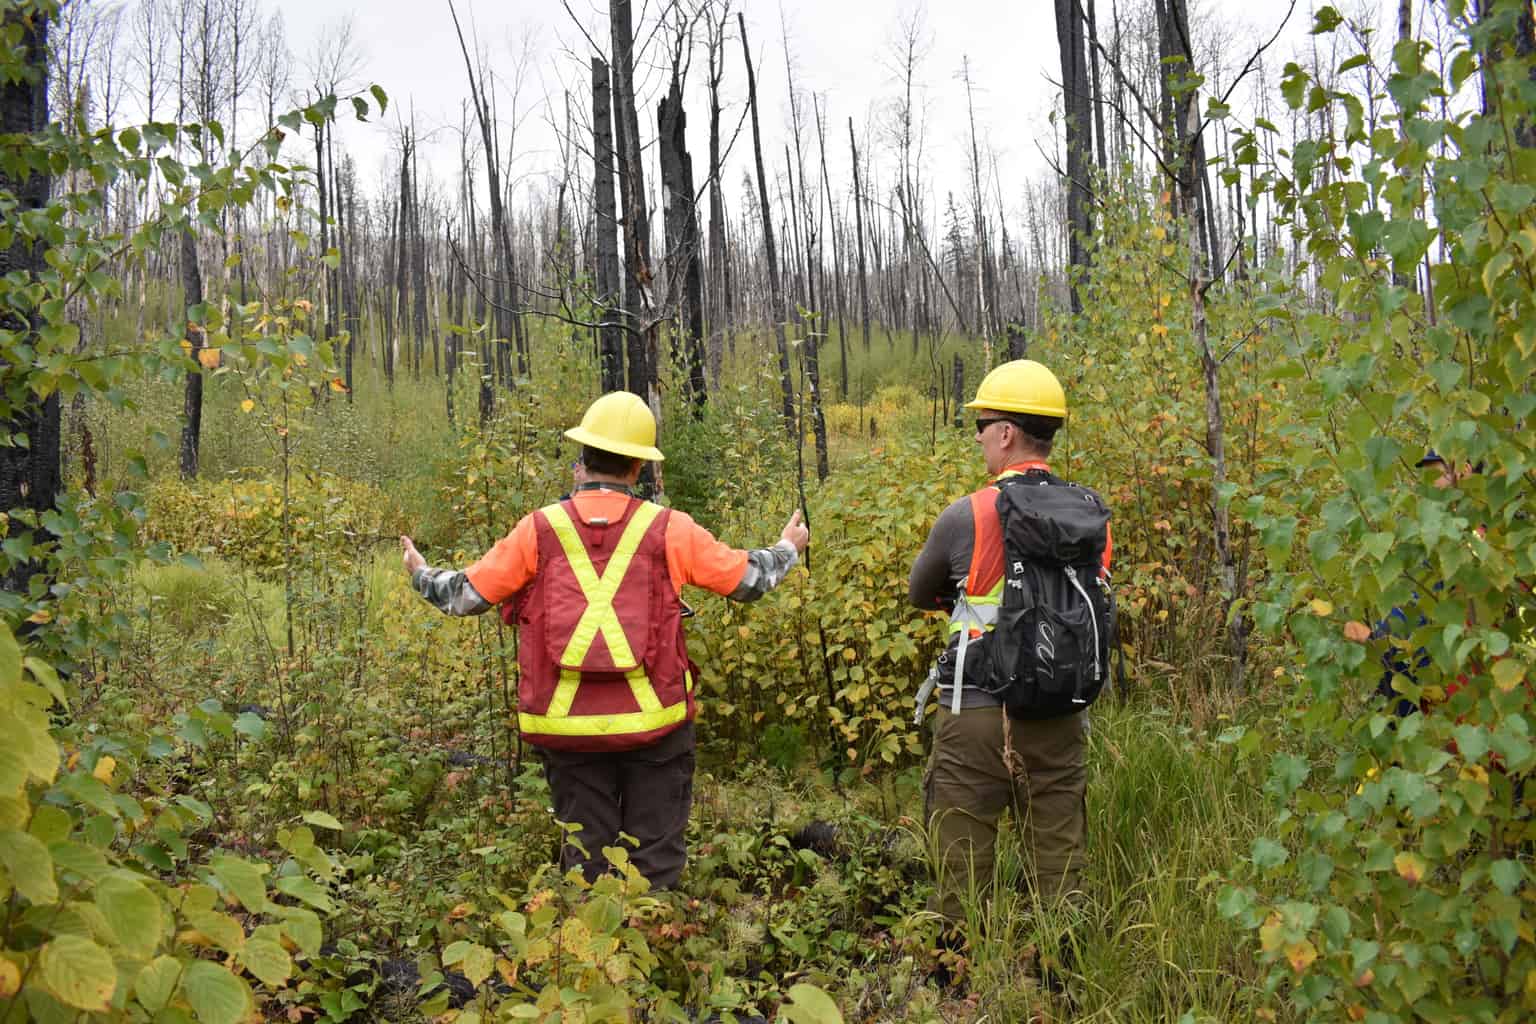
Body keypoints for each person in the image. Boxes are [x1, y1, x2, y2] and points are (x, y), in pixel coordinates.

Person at [401, 391, 809, 888]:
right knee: (654, 857)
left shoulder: (539, 529)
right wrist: (787, 548)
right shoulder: (669, 529)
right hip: (656, 725)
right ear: (639, 468)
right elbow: (747, 581)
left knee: (586, 862)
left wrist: (421, 574)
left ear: (581, 463)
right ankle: (651, 941)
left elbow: (465, 596)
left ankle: (587, 952)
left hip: (566, 729)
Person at [908, 359, 1110, 929]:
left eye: (984, 424)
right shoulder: (1093, 518)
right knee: (1059, 851)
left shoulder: (965, 514)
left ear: (1006, 434)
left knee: (960, 855)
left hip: (975, 708)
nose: (978, 435)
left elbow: (919, 593)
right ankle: (1064, 971)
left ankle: (958, 972)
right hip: (1057, 706)